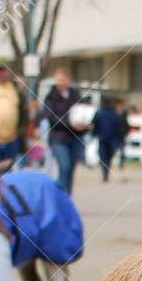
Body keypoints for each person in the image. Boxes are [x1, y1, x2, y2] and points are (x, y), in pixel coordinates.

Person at [41, 66, 87, 194]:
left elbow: (83, 112)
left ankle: (67, 199)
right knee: (64, 167)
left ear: (68, 80)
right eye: (58, 80)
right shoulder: (50, 97)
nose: (60, 82)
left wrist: (85, 124)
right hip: (58, 138)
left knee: (71, 170)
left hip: (74, 137)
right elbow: (51, 117)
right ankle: (59, 197)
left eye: (62, 79)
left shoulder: (76, 95)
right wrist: (70, 123)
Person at [92, 96, 126, 182]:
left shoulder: (99, 112)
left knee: (103, 156)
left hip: (102, 138)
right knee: (109, 156)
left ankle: (105, 173)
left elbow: (94, 124)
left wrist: (95, 134)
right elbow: (119, 127)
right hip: (112, 139)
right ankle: (106, 173)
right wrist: (119, 137)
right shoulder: (115, 114)